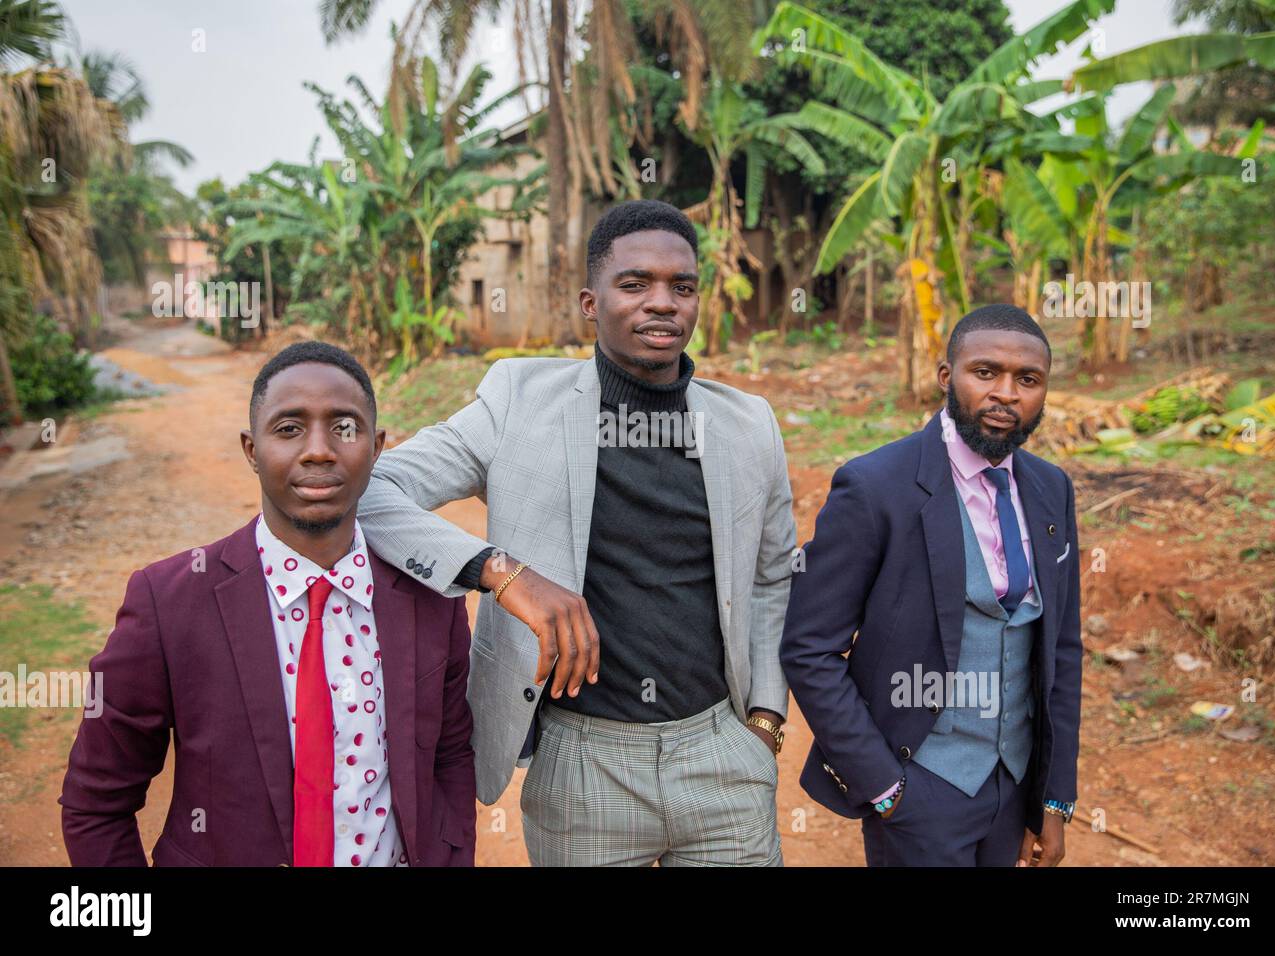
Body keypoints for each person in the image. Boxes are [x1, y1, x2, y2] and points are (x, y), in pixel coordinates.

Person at [358, 199, 796, 866]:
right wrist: (502, 573)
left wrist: (763, 719)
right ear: (590, 304)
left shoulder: (747, 425)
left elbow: (772, 578)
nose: (662, 303)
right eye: (634, 284)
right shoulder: (518, 401)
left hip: (722, 754)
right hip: (584, 766)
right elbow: (370, 489)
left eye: (681, 287)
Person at [60, 341, 475, 866]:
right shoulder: (168, 603)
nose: (319, 449)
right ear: (251, 450)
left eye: (345, 427)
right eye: (289, 428)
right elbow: (97, 802)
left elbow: (450, 755)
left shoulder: (429, 597)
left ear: (377, 446)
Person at [781, 304, 1082, 867]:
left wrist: (1054, 798)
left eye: (1028, 380)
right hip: (920, 787)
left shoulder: (1050, 489)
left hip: (1014, 787)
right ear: (947, 376)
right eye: (985, 372)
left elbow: (1062, 647)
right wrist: (886, 788)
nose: (1006, 394)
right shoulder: (876, 488)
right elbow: (809, 646)